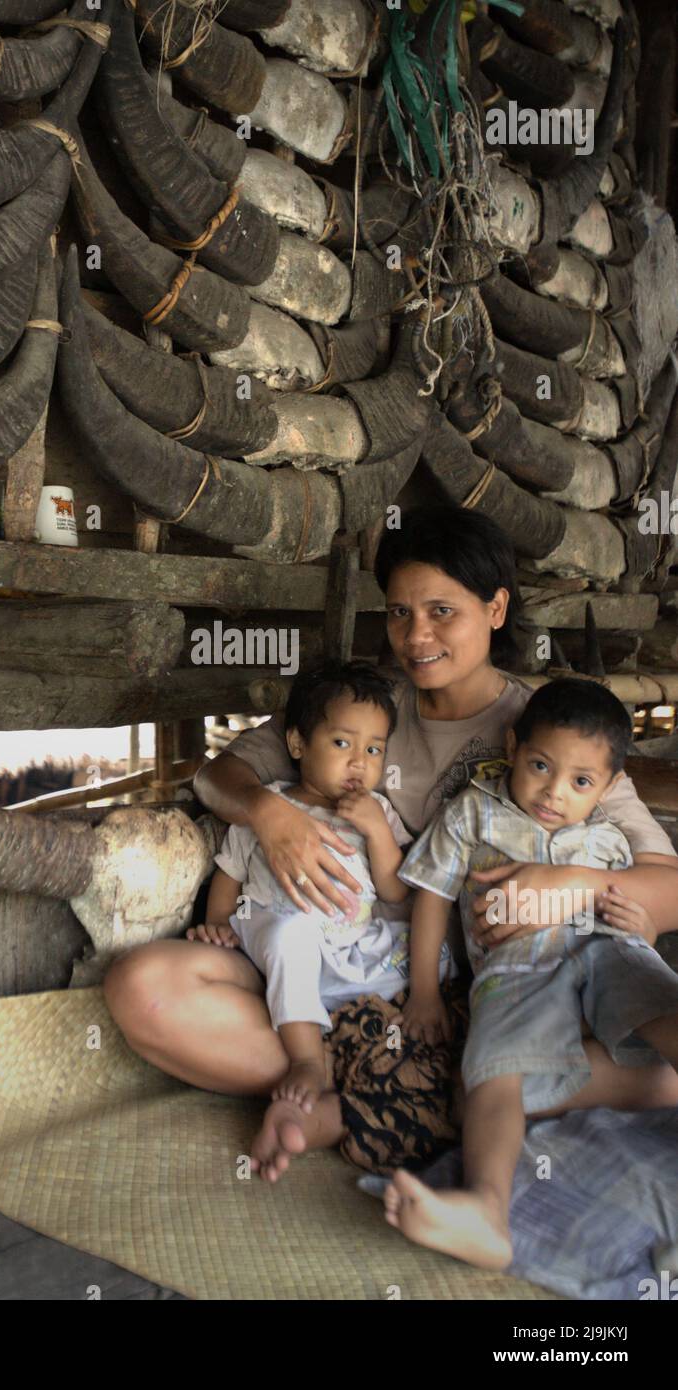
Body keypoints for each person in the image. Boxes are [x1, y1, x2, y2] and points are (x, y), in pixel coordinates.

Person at [104, 506, 678, 1181]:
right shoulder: (366, 705)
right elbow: (215, 776)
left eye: (441, 611)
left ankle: (366, 1099)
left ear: (495, 610)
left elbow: (665, 887)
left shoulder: (550, 731)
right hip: (318, 959)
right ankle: (414, 1089)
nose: (416, 635)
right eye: (400, 613)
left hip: (476, 992)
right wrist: (267, 812)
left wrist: (571, 885)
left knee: (654, 1064)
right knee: (142, 988)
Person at [383, 678, 678, 1268]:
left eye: (581, 782)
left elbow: (638, 915)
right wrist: (423, 992)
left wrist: (638, 924)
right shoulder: (472, 812)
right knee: (492, 1074)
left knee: (658, 999)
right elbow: (433, 899)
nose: (553, 792)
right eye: (540, 765)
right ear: (513, 746)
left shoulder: (611, 835)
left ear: (611, 786)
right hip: (515, 968)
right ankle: (487, 1211)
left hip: (606, 942)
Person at [186, 661, 452, 1172]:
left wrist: (377, 832)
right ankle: (310, 1059)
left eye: (373, 749)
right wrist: (218, 922)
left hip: (350, 941)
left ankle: (350, 1014)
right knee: (292, 934)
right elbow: (230, 873)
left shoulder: (378, 811)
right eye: (341, 744)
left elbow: (396, 888)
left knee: (433, 951)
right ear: (297, 744)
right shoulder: (269, 808)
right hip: (277, 929)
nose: (359, 762)